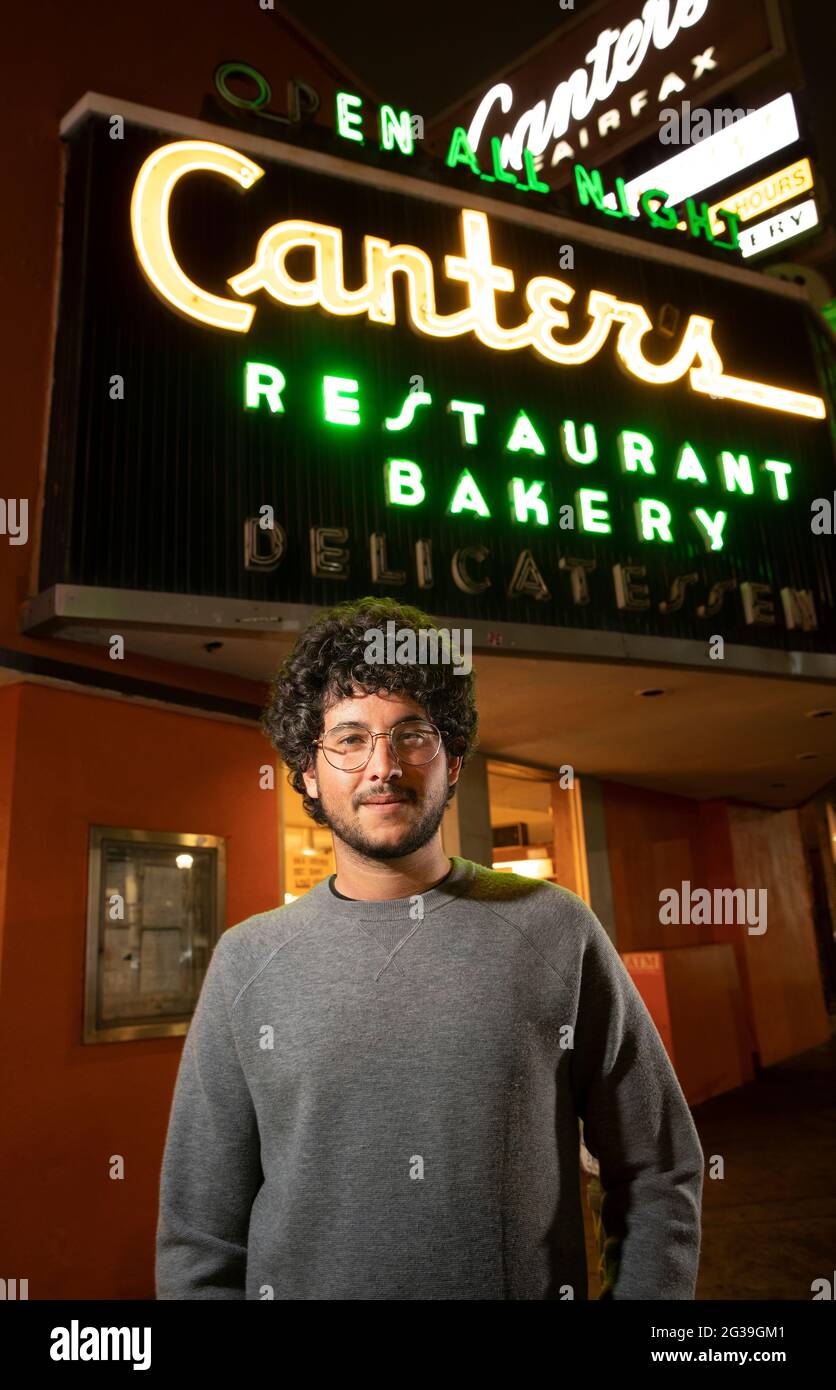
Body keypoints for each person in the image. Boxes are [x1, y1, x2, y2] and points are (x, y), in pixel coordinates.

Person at [155, 597, 704, 1300]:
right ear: (307, 775)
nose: (382, 765)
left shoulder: (555, 930)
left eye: (410, 734)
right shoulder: (247, 961)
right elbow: (200, 1232)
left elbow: (658, 1168)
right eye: (349, 739)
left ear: (454, 759)